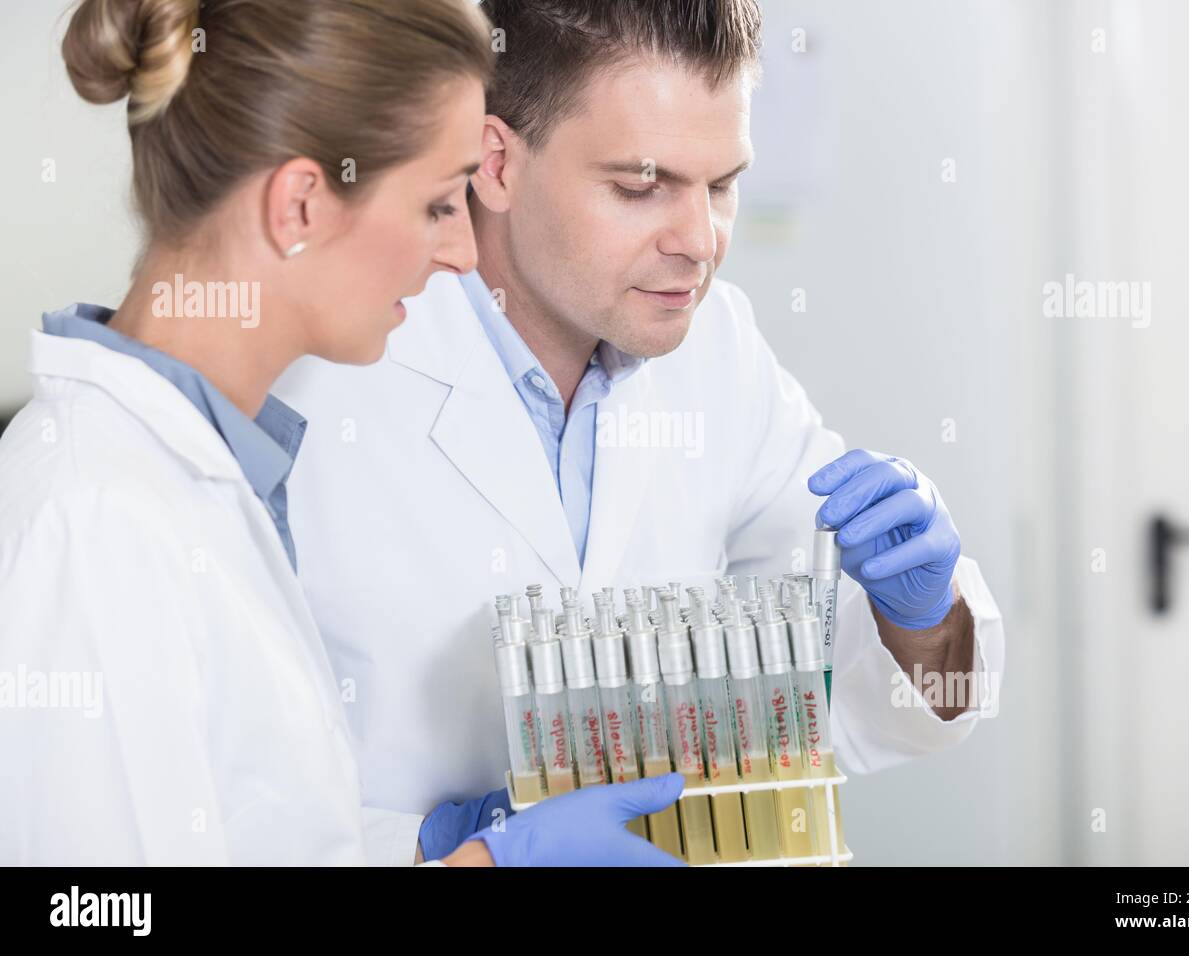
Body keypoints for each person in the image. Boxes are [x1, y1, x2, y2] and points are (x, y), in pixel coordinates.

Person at [273, 0, 1007, 863]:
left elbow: (811, 704)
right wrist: (439, 850)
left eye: (724, 184)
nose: (700, 242)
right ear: (496, 163)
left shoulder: (717, 350)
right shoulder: (317, 380)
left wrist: (919, 623)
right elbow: (197, 808)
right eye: (641, 187)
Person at [0, 0, 682, 867]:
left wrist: (431, 850)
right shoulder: (94, 522)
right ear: (299, 208)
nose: (464, 254)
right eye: (440, 203)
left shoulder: (202, 477)